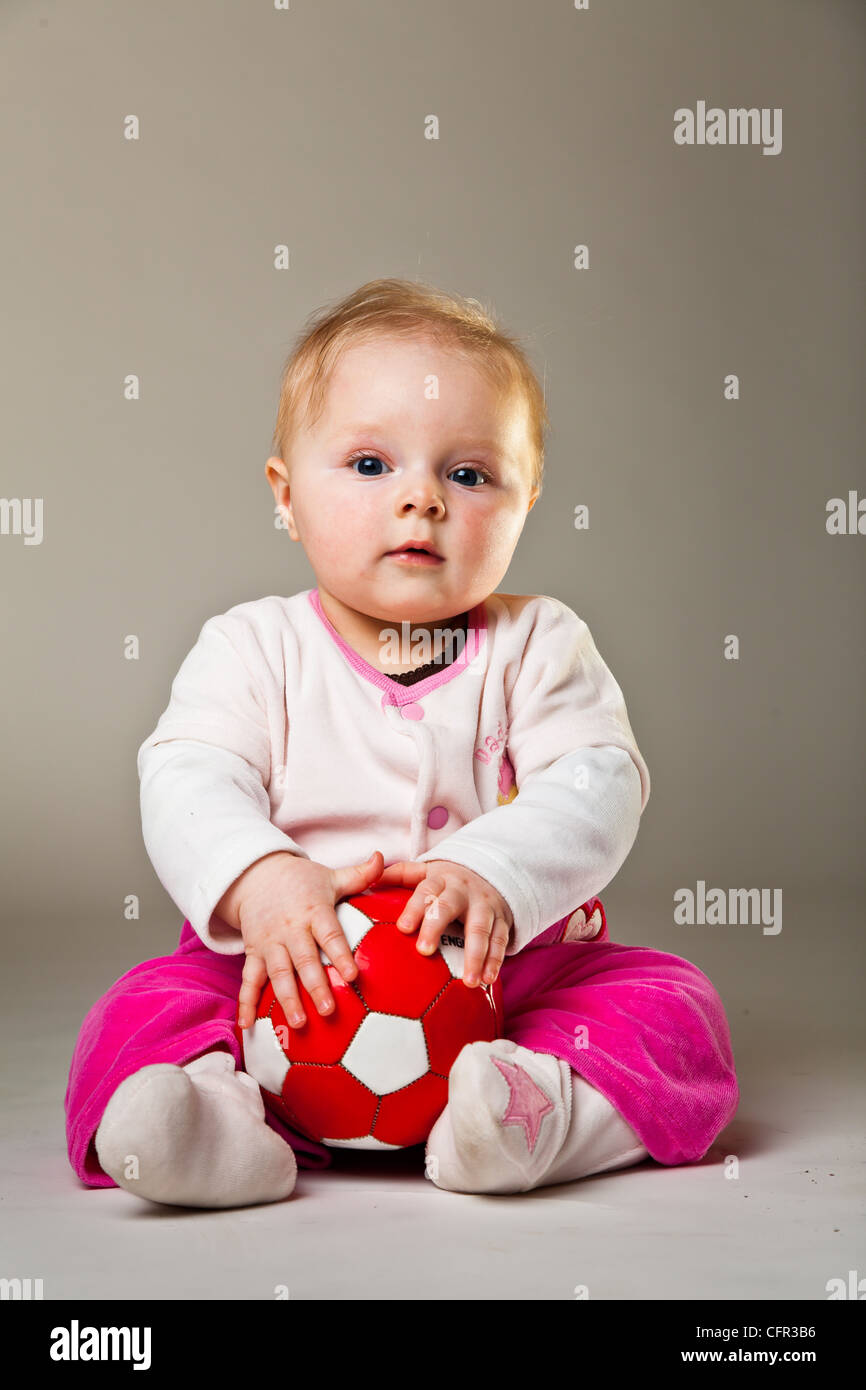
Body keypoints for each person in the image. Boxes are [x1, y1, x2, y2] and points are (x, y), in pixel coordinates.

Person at [65, 278, 738, 1208]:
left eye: (468, 475)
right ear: (287, 494)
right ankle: (216, 1125)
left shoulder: (541, 642)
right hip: (288, 979)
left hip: (508, 980)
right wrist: (262, 879)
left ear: (526, 499)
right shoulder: (253, 646)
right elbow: (188, 773)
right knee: (141, 1011)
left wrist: (495, 870)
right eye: (372, 464)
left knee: (674, 1008)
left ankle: (531, 1119)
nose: (421, 499)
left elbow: (600, 780)